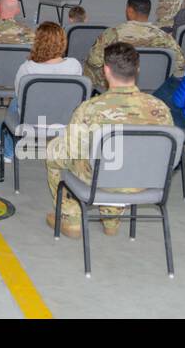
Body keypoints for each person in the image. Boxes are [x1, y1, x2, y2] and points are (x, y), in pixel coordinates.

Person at [45, 42, 173, 238]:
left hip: (101, 180)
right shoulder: (160, 108)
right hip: (146, 180)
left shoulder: (90, 108)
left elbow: (71, 150)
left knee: (55, 149)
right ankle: (111, 221)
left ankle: (70, 215)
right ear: (137, 69)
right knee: (120, 161)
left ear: (105, 70)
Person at [0, 21, 83, 163]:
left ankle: (8, 151)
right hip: (65, 120)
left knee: (14, 101)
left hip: (32, 121)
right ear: (63, 42)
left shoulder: (27, 68)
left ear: (37, 42)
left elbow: (20, 96)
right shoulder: (74, 65)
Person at [83, 0, 185, 93]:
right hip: (155, 89)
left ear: (130, 10)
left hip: (117, 85)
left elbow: (94, 61)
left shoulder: (112, 34)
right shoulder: (164, 37)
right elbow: (180, 65)